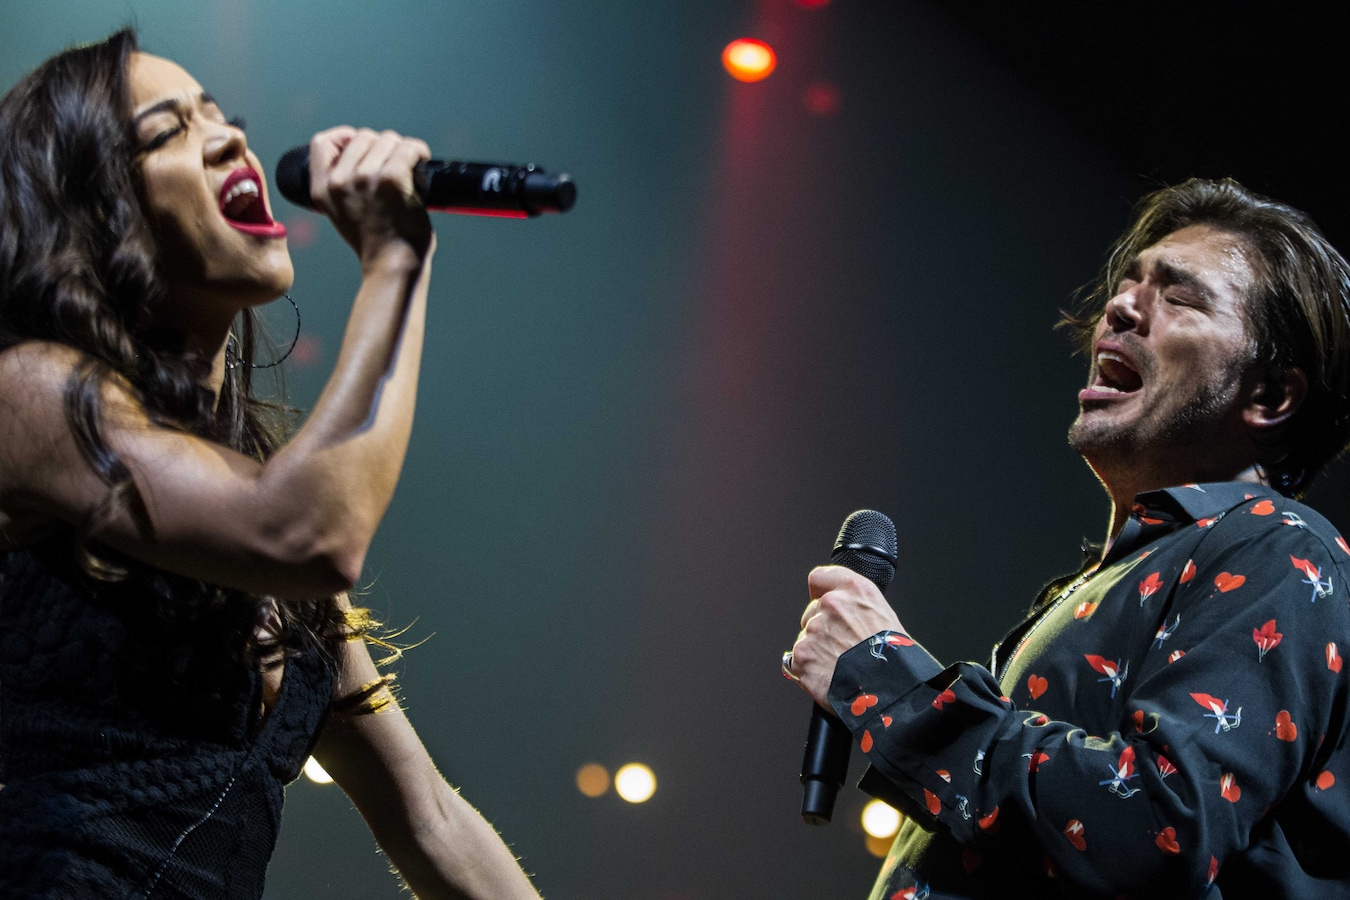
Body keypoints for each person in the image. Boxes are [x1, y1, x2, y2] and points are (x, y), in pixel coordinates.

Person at [0, 30, 540, 899]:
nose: (226, 137)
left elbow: (428, 817)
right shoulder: (22, 396)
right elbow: (306, 531)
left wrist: (410, 255)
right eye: (166, 130)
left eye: (223, 115)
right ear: (94, 208)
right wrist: (396, 259)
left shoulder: (255, 519)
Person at [786, 179, 1350, 898]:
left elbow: (1157, 830)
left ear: (1270, 396)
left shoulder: (1280, 548)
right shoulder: (1121, 574)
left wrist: (892, 685)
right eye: (1128, 285)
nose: (1120, 306)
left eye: (1179, 297)